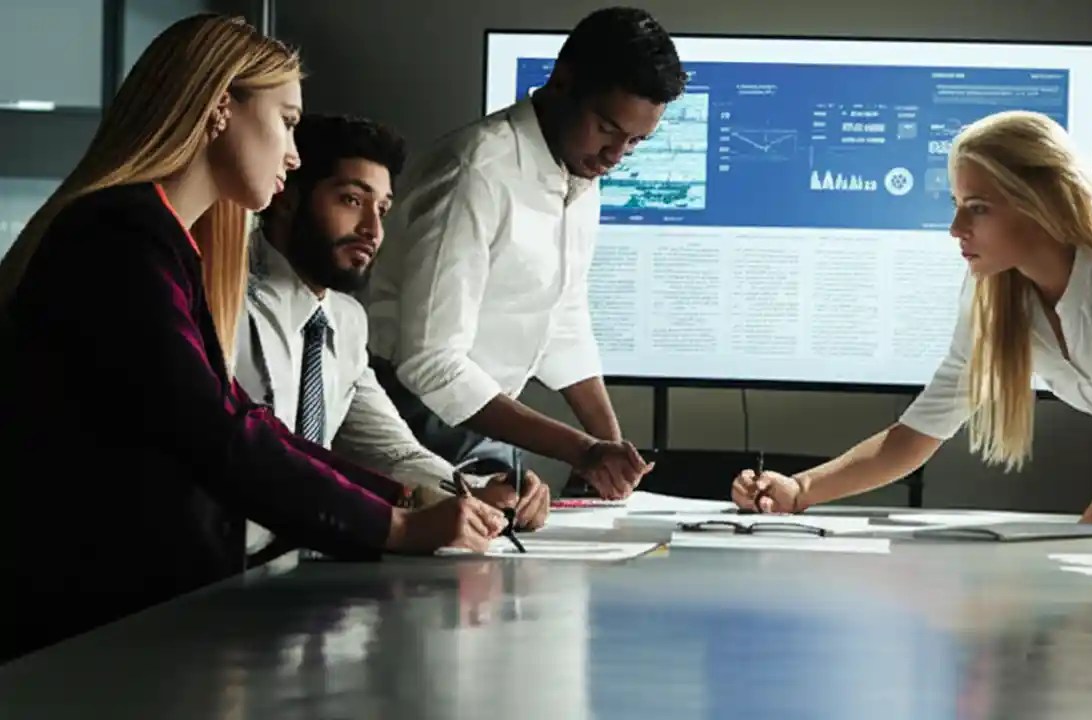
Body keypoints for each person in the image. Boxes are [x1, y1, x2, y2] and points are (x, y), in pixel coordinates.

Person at [0, 14, 505, 663]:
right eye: (287, 121)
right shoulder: (120, 238)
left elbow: (248, 421)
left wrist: (403, 497)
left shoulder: (164, 242)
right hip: (86, 633)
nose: (294, 155)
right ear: (218, 108)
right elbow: (216, 431)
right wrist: (398, 525)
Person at [731, 109, 1092, 554]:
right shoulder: (995, 294)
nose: (955, 230)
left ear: (1042, 204)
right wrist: (799, 491)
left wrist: (1073, 555)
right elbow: (915, 435)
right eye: (956, 206)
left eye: (978, 209)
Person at [364, 6, 686, 500]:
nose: (616, 156)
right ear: (562, 81)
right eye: (607, 128)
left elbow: (562, 320)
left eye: (635, 142)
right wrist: (581, 451)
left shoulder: (578, 174)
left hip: (476, 416)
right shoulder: (476, 171)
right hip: (405, 415)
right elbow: (429, 362)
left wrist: (613, 450)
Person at [236, 112, 549, 562]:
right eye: (350, 200)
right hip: (219, 568)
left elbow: (390, 449)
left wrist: (474, 497)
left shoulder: (344, 321)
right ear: (286, 197)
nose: (372, 230)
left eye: (381, 209)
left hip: (296, 567)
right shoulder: (227, 299)